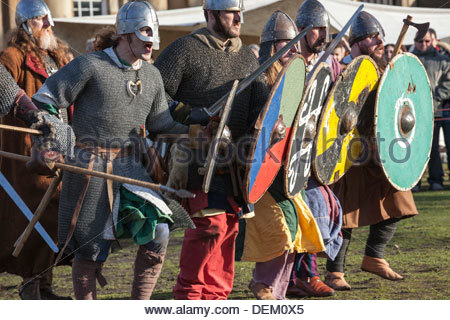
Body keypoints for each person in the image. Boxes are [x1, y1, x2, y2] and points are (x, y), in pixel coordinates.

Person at [32, 0, 187, 300]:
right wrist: (56, 130)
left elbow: (160, 123)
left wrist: (195, 133)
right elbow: (45, 99)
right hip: (90, 169)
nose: (150, 45)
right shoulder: (90, 65)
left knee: (159, 232)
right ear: (125, 35)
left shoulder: (152, 76)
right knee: (90, 250)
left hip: (131, 169)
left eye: (152, 39)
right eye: (144, 38)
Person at [154, 0, 268, 300]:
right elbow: (155, 95)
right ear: (211, 14)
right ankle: (190, 295)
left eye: (239, 12)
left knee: (228, 228)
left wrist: (268, 121)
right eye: (232, 12)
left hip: (235, 159)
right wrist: (189, 114)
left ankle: (216, 298)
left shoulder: (246, 55)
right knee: (209, 225)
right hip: (194, 156)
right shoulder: (184, 50)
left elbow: (260, 103)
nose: (239, 18)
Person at [326, 11, 418, 291]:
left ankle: (374, 256)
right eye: (371, 37)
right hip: (350, 151)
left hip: (380, 150)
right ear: (356, 43)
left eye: (379, 36)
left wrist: (394, 78)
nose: (378, 40)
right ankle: (334, 272)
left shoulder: (382, 68)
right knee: (346, 215)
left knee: (399, 201)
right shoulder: (342, 71)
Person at [241, 10, 325, 300]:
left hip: (287, 171)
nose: (290, 52)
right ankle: (262, 283)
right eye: (283, 46)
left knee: (295, 230)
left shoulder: (294, 83)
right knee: (280, 231)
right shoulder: (257, 83)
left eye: (293, 46)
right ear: (270, 48)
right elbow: (249, 127)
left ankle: (277, 291)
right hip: (261, 170)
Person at [0, 0, 73, 300]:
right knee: (34, 216)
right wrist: (30, 115)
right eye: (42, 20)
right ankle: (32, 285)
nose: (49, 26)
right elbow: (3, 89)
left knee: (55, 214)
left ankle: (43, 283)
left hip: (61, 148)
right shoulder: (13, 56)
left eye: (49, 20)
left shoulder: (58, 57)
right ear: (26, 25)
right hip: (29, 152)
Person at [286, 0, 343, 298]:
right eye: (317, 28)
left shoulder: (330, 62)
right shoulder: (289, 59)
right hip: (288, 151)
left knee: (324, 206)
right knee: (308, 208)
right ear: (301, 29)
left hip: (318, 150)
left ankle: (302, 276)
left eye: (325, 28)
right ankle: (304, 277)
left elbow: (339, 102)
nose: (323, 34)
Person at [411, 29, 450, 191]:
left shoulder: (443, 60)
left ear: (433, 41)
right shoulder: (410, 61)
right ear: (415, 42)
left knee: (445, 146)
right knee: (423, 148)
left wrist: (434, 100)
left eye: (427, 41)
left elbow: (448, 83)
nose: (424, 44)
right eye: (420, 41)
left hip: (441, 110)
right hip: (417, 113)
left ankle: (437, 180)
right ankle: (425, 180)